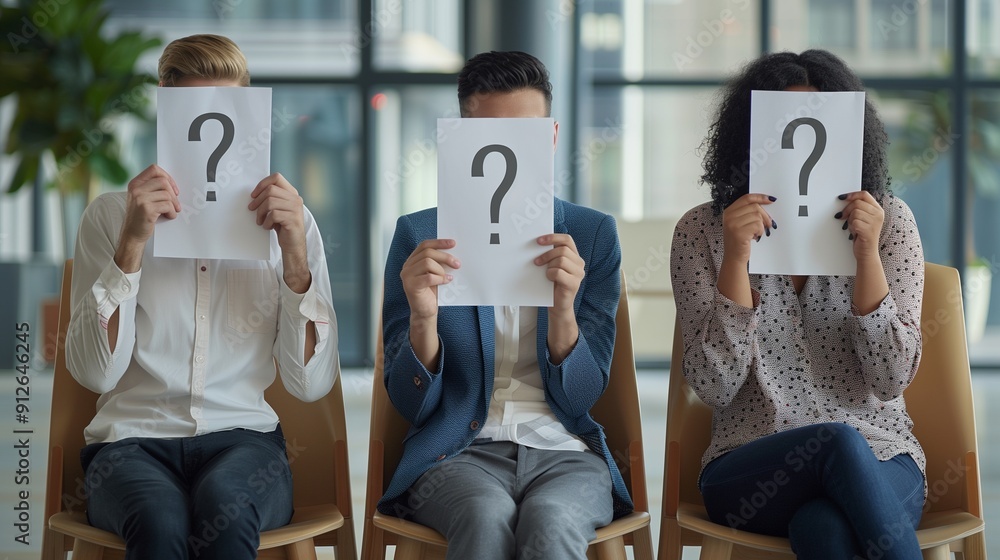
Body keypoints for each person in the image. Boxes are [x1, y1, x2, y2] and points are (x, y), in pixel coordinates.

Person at [65, 34, 340, 560]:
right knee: (158, 518)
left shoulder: (290, 220)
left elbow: (309, 384)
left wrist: (296, 260)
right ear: (168, 119)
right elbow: (96, 374)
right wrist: (132, 245)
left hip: (245, 439)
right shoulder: (109, 215)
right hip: (130, 440)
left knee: (226, 506)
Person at [377, 51, 632, 560]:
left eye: (526, 135)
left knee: (553, 521)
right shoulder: (419, 236)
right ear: (460, 138)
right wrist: (423, 317)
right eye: (489, 134)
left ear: (553, 137)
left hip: (564, 451)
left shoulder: (592, 234)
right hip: (457, 450)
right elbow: (411, 405)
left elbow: (583, 395)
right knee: (483, 517)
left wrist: (562, 308)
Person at [670, 49, 924, 559]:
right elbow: (714, 386)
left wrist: (867, 256)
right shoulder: (702, 231)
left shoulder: (890, 221)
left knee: (824, 529)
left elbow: (891, 377)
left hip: (883, 455)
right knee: (834, 441)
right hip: (750, 463)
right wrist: (736, 259)